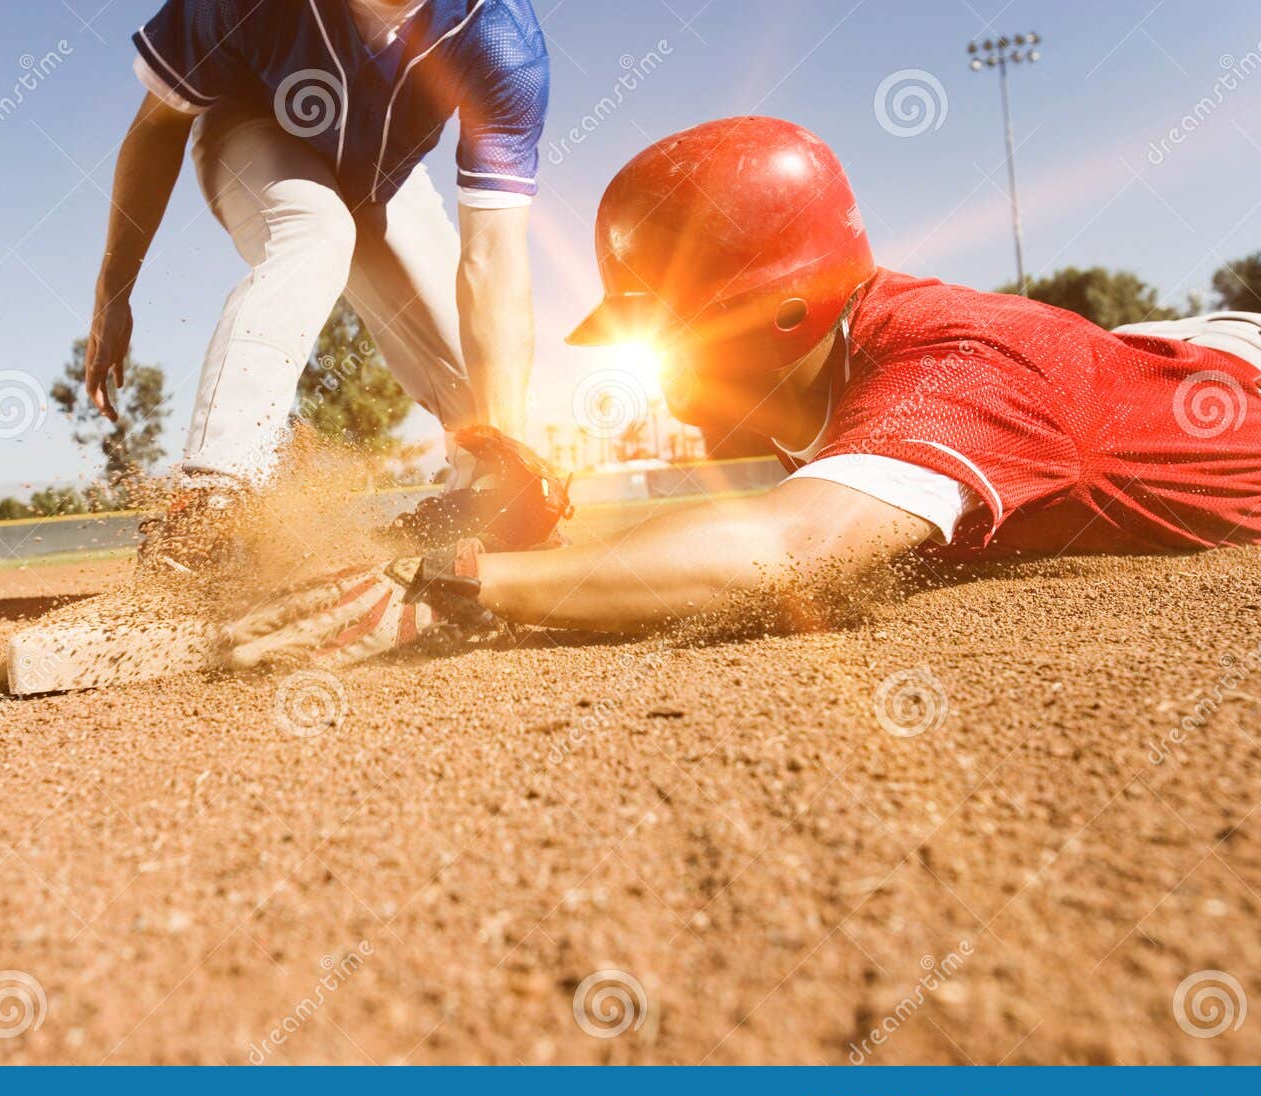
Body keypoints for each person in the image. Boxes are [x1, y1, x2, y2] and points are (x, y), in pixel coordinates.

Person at [225, 116, 1261, 667]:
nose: (660, 366)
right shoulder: (824, 366)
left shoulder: (953, 370)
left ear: (784, 317)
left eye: (671, 330)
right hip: (1144, 359)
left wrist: (456, 585)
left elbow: (783, 548)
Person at [86, 1, 553, 565]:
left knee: (486, 393)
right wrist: (114, 289)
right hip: (251, 129)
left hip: (382, 174)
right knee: (316, 231)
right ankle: (210, 499)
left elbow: (494, 253)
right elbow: (159, 124)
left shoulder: (499, 34)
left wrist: (508, 458)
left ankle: (474, 518)